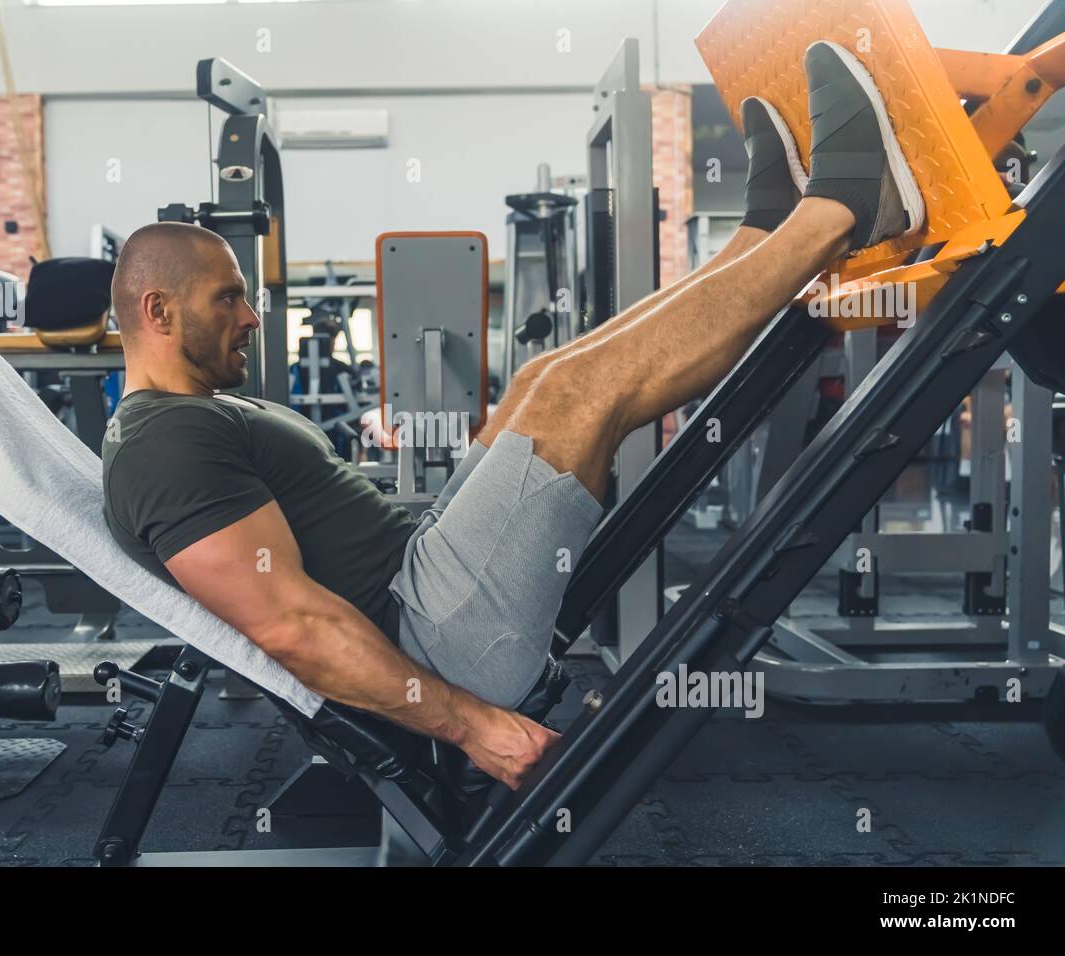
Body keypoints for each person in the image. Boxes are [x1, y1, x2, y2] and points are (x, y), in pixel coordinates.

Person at [102, 42, 926, 788]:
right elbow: (294, 630)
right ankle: (844, 211)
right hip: (435, 639)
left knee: (545, 375)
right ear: (158, 312)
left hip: (424, 574)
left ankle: (764, 235)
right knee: (576, 394)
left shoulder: (181, 417)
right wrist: (473, 725)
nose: (252, 317)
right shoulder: (163, 447)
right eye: (229, 299)